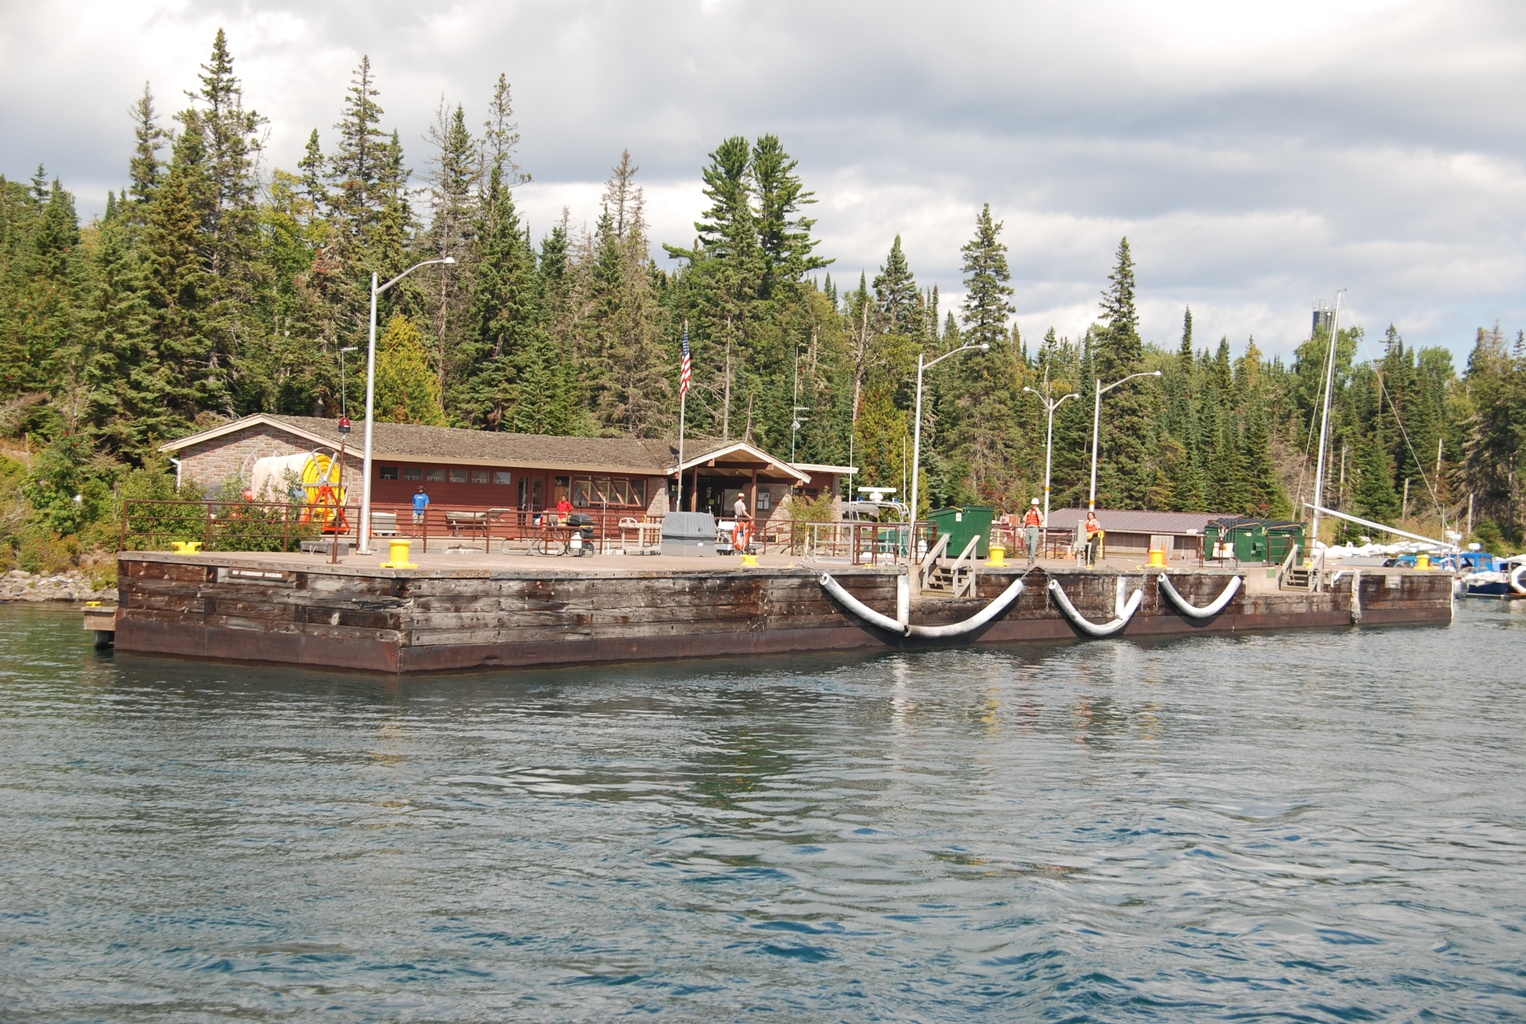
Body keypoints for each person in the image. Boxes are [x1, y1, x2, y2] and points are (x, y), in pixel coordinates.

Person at [1023, 498, 1043, 568]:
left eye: (1035, 504)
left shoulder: (1039, 512)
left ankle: (1030, 561)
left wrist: (1037, 511)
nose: (1034, 506)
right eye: (1033, 504)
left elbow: (1040, 519)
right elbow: (1025, 521)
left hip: (1035, 528)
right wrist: (1022, 531)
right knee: (1028, 544)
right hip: (1028, 528)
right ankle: (1032, 558)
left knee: (1033, 545)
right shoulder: (1028, 512)